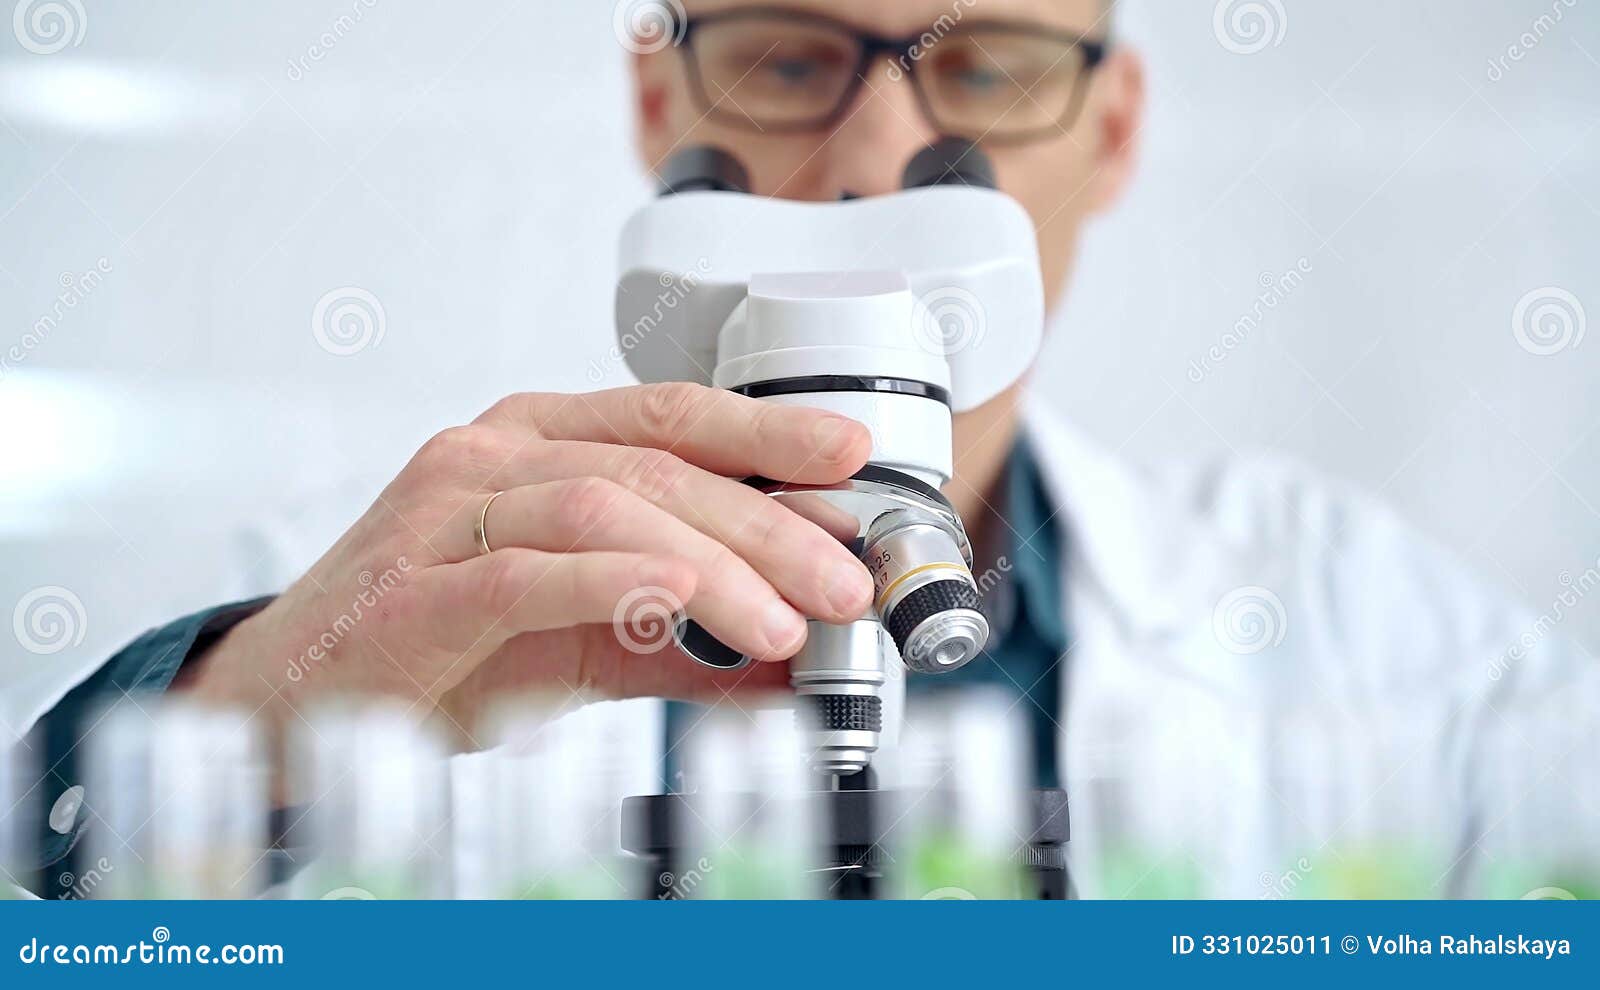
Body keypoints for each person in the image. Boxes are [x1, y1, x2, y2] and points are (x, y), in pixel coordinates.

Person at [8, 0, 1591, 899]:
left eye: (979, 71)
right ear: (658, 105)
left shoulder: (1360, 625)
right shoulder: (347, 579)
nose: (873, 169)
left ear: (1110, 134)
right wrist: (243, 738)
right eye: (784, 55)